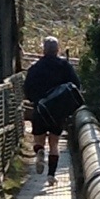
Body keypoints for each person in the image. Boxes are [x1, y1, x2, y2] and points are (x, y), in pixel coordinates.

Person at [24, 36, 81, 186]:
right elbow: (76, 86)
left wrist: (34, 100)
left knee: (39, 140)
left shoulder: (35, 67)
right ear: (58, 50)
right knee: (54, 143)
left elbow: (27, 88)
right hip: (58, 111)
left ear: (43, 50)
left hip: (40, 108)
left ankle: (39, 151)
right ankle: (51, 175)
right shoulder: (64, 66)